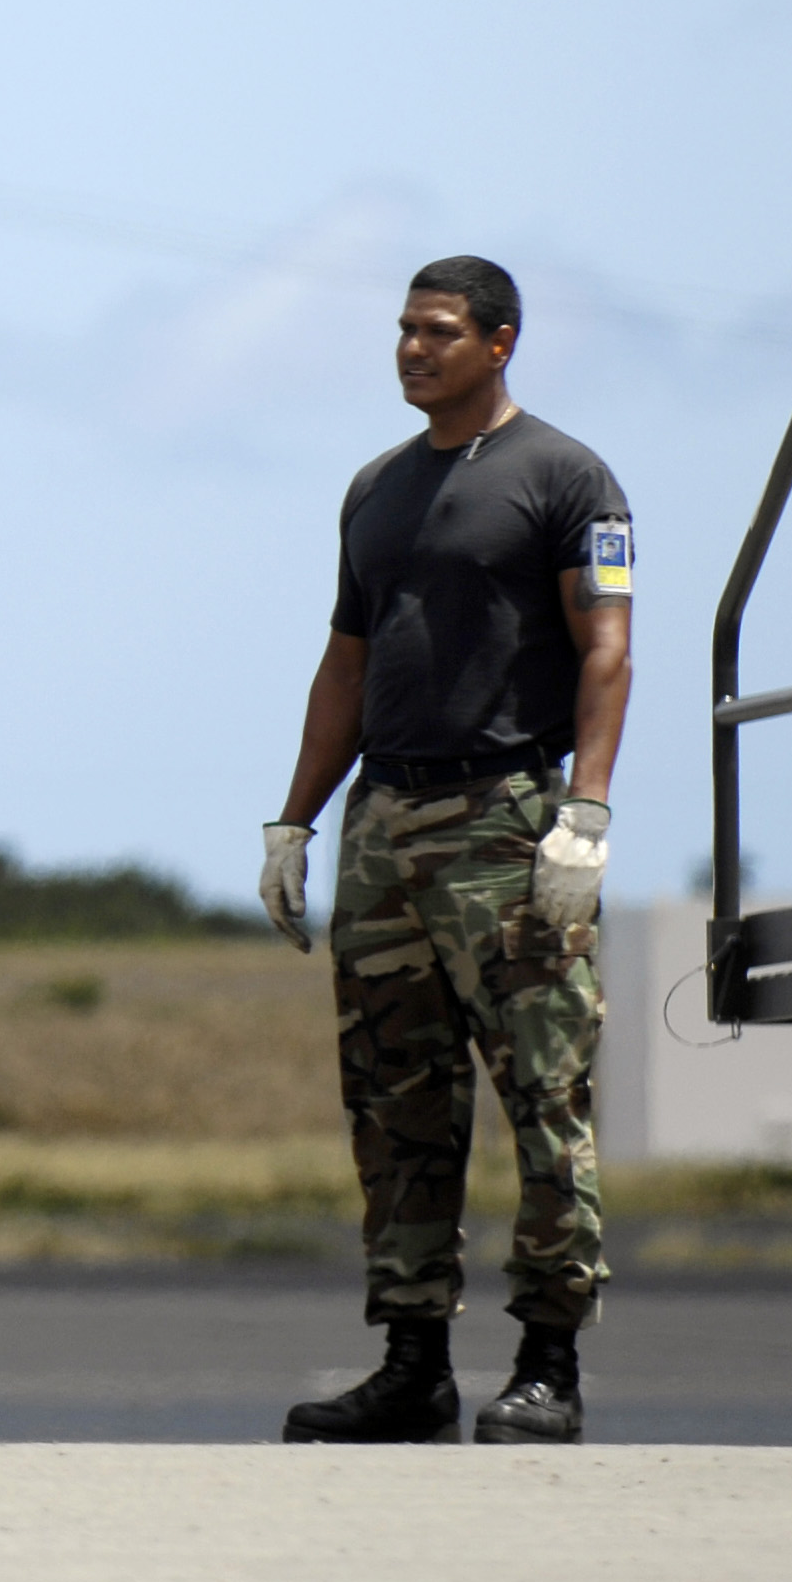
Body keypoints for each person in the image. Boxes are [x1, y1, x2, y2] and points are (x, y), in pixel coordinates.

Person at [263, 255, 630, 1446]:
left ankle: (549, 1365)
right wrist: (296, 817)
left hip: (504, 822)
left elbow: (607, 648)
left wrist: (587, 810)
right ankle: (413, 1364)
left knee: (542, 1095)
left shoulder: (567, 477)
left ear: (500, 341)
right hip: (387, 826)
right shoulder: (375, 489)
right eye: (406, 331)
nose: (414, 350)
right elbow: (347, 665)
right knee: (395, 1106)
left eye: (439, 332)